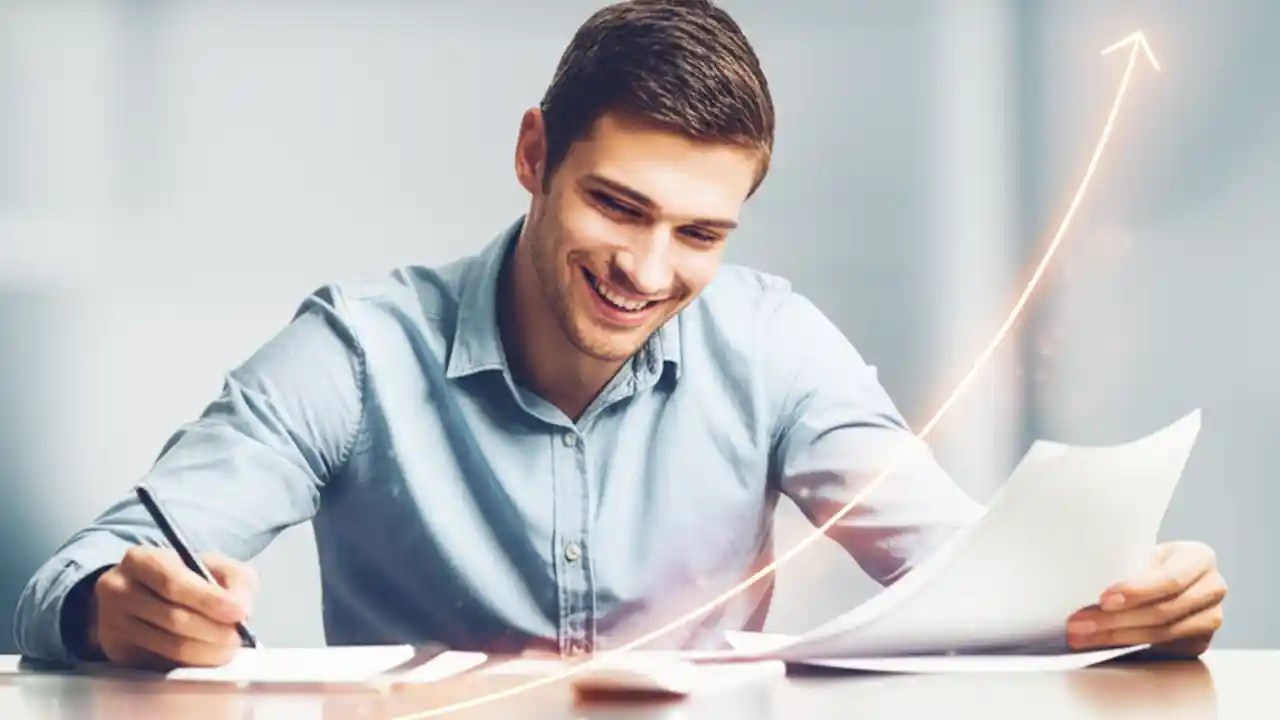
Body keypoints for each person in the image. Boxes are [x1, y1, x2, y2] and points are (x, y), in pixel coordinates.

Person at [14, 0, 1225, 669]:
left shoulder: (774, 346)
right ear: (534, 155)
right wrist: (113, 608)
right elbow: (71, 579)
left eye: (701, 233)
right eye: (617, 205)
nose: (647, 271)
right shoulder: (356, 351)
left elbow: (968, 582)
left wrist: (1120, 607)